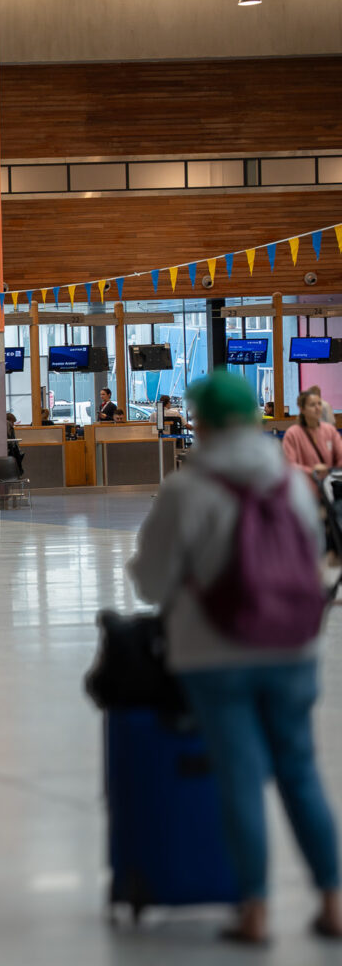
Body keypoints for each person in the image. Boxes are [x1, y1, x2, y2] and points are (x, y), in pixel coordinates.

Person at [130, 371, 341, 945]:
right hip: (295, 647)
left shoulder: (187, 488)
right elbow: (313, 554)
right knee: (300, 771)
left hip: (215, 653)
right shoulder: (292, 483)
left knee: (241, 778)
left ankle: (256, 910)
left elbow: (151, 582)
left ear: (200, 421)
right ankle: (333, 898)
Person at [284, 389, 342, 476]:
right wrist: (312, 471)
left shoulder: (330, 431)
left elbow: (340, 456)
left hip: (328, 485)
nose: (317, 408)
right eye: (312, 405)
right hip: (304, 486)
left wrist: (333, 473)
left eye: (319, 404)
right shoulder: (292, 434)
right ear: (302, 409)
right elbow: (288, 466)